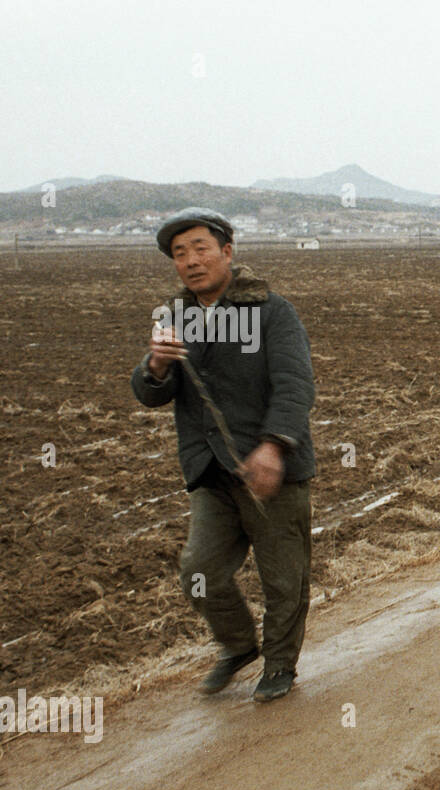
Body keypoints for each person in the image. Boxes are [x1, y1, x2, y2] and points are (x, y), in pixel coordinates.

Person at [130, 207, 316, 702]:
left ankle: (279, 665)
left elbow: (296, 385)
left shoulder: (272, 312)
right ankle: (238, 646)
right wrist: (154, 366)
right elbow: (150, 393)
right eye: (179, 253)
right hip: (213, 471)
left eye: (200, 248)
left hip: (269, 470)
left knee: (283, 578)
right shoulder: (177, 319)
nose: (190, 261)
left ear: (227, 252)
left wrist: (275, 446)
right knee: (198, 572)